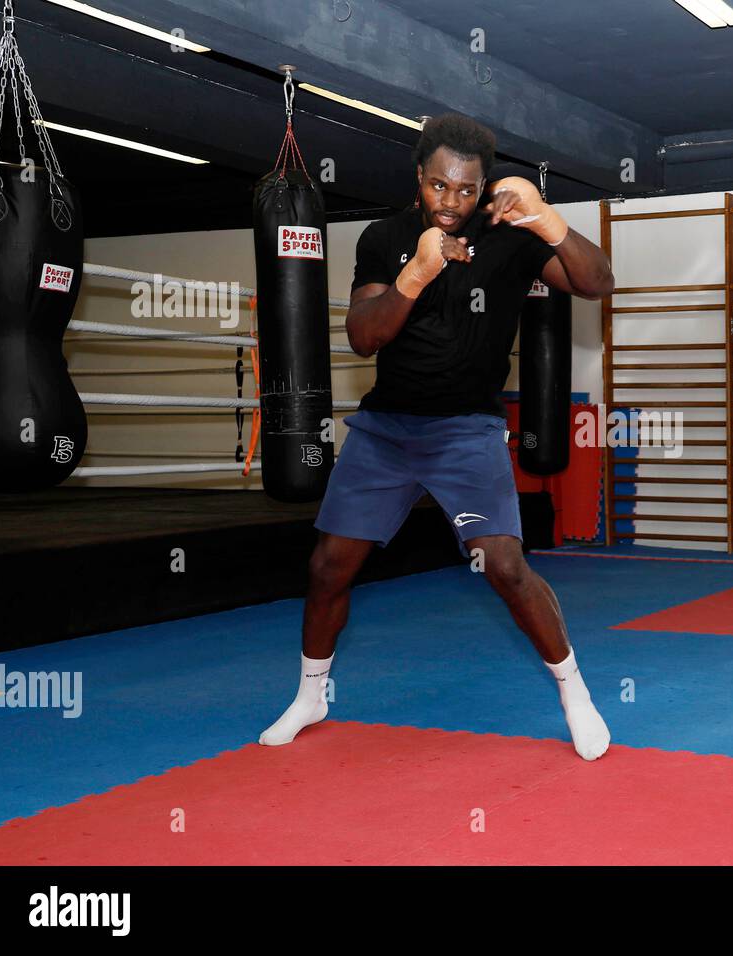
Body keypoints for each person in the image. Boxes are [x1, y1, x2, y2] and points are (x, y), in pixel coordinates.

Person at [260, 113, 615, 760]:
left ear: (484, 187)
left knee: (505, 566)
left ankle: (574, 693)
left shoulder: (510, 235)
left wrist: (549, 220)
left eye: (466, 190)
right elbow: (364, 337)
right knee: (327, 567)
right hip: (387, 430)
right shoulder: (385, 236)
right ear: (418, 177)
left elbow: (597, 283)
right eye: (438, 186)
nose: (451, 203)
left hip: (466, 431)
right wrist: (414, 275)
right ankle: (312, 693)